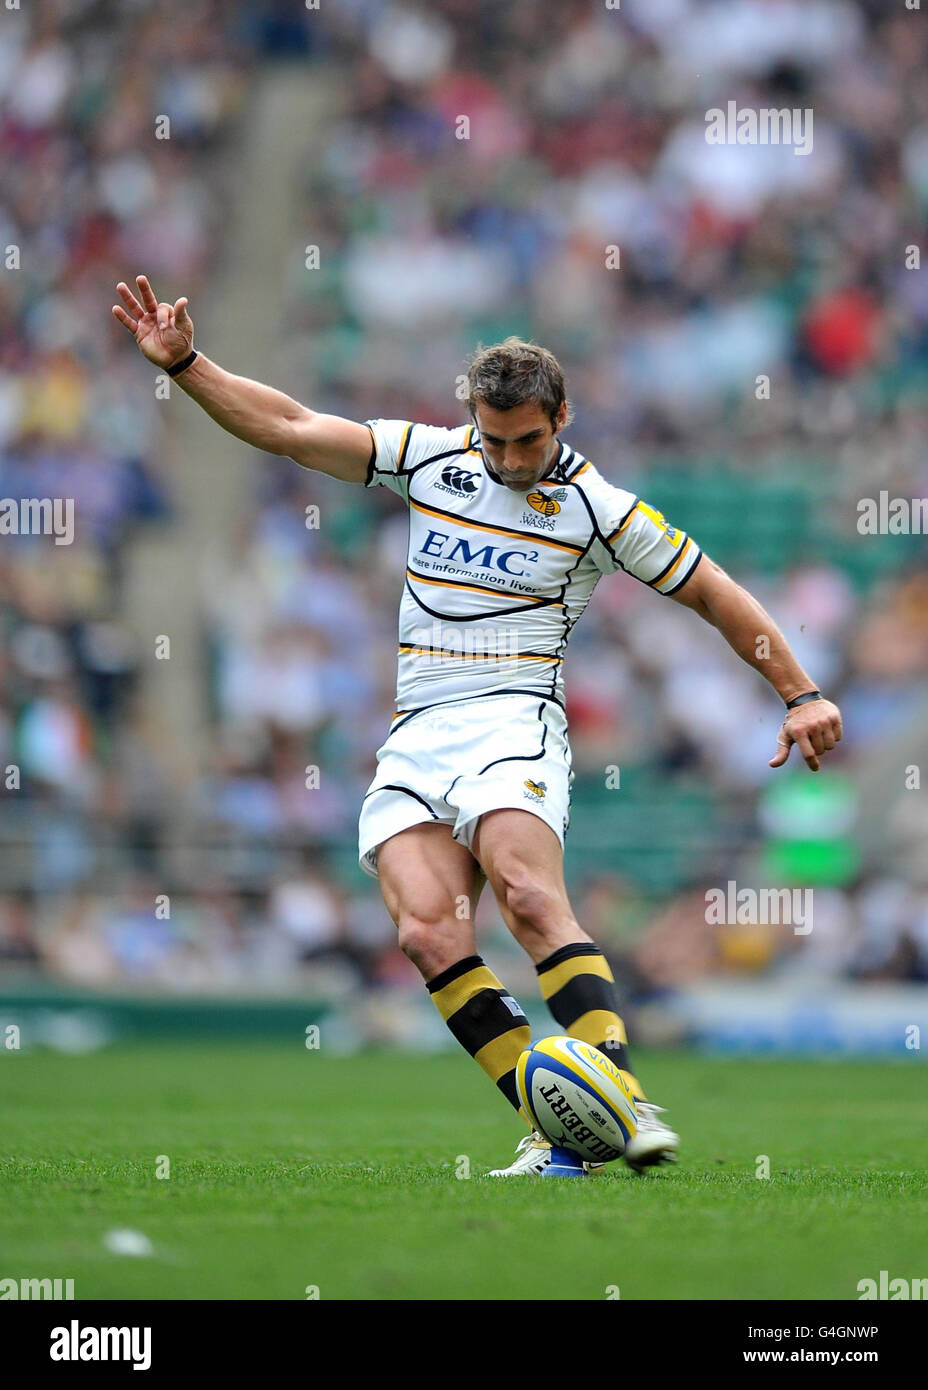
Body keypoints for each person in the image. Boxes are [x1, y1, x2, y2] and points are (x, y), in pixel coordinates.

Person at [113, 275, 844, 1176]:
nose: (507, 459)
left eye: (527, 439)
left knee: (529, 898)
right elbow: (293, 428)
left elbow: (712, 590)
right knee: (428, 934)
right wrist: (186, 364)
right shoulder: (429, 458)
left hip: (514, 720)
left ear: (563, 417)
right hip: (418, 729)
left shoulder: (598, 509)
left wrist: (801, 691)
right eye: (494, 440)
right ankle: (566, 1133)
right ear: (473, 420)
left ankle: (619, 1091)